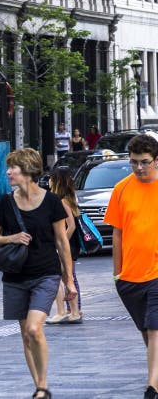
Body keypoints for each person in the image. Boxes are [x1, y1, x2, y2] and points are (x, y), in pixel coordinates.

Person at [0, 147, 76, 399]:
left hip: (45, 274)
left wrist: (69, 280)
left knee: (36, 329)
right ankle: (39, 387)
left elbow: (62, 241)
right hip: (15, 276)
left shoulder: (51, 202)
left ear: (27, 170)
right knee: (26, 335)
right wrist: (12, 237)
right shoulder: (6, 202)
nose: (8, 172)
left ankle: (43, 385)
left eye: (13, 167)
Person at [104, 134, 158, 399]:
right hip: (130, 276)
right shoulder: (121, 189)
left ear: (156, 161)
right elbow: (117, 233)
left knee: (154, 327)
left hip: (157, 272)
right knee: (145, 330)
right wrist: (117, 273)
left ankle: (152, 386)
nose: (139, 168)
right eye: (134, 162)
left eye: (145, 162)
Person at [45, 167, 83, 324]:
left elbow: (71, 226)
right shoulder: (69, 198)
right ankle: (73, 310)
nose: (48, 181)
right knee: (68, 276)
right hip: (70, 245)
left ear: (57, 181)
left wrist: (61, 244)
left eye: (51, 178)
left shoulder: (62, 201)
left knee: (65, 276)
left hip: (68, 245)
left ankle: (71, 311)